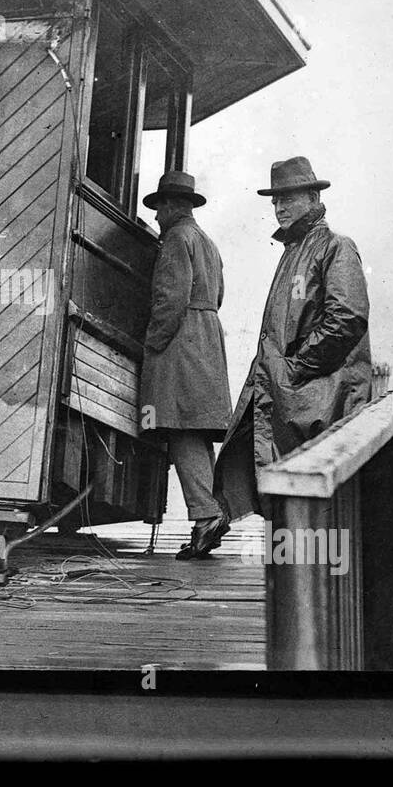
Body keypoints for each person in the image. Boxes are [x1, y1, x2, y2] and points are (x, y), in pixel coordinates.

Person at [215, 156, 372, 521]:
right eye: (274, 201)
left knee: (316, 508)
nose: (279, 207)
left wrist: (295, 369)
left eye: (288, 198)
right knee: (291, 505)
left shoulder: (336, 246)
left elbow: (348, 318)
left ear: (314, 198)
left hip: (322, 401)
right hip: (295, 400)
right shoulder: (292, 252)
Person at [138, 171, 235, 561]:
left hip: (181, 342)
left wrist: (153, 342)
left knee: (178, 427)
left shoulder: (177, 238)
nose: (157, 216)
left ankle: (207, 513)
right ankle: (210, 512)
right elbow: (220, 295)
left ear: (173, 206)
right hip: (207, 338)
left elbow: (171, 297)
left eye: (159, 207)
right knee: (192, 428)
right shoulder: (207, 242)